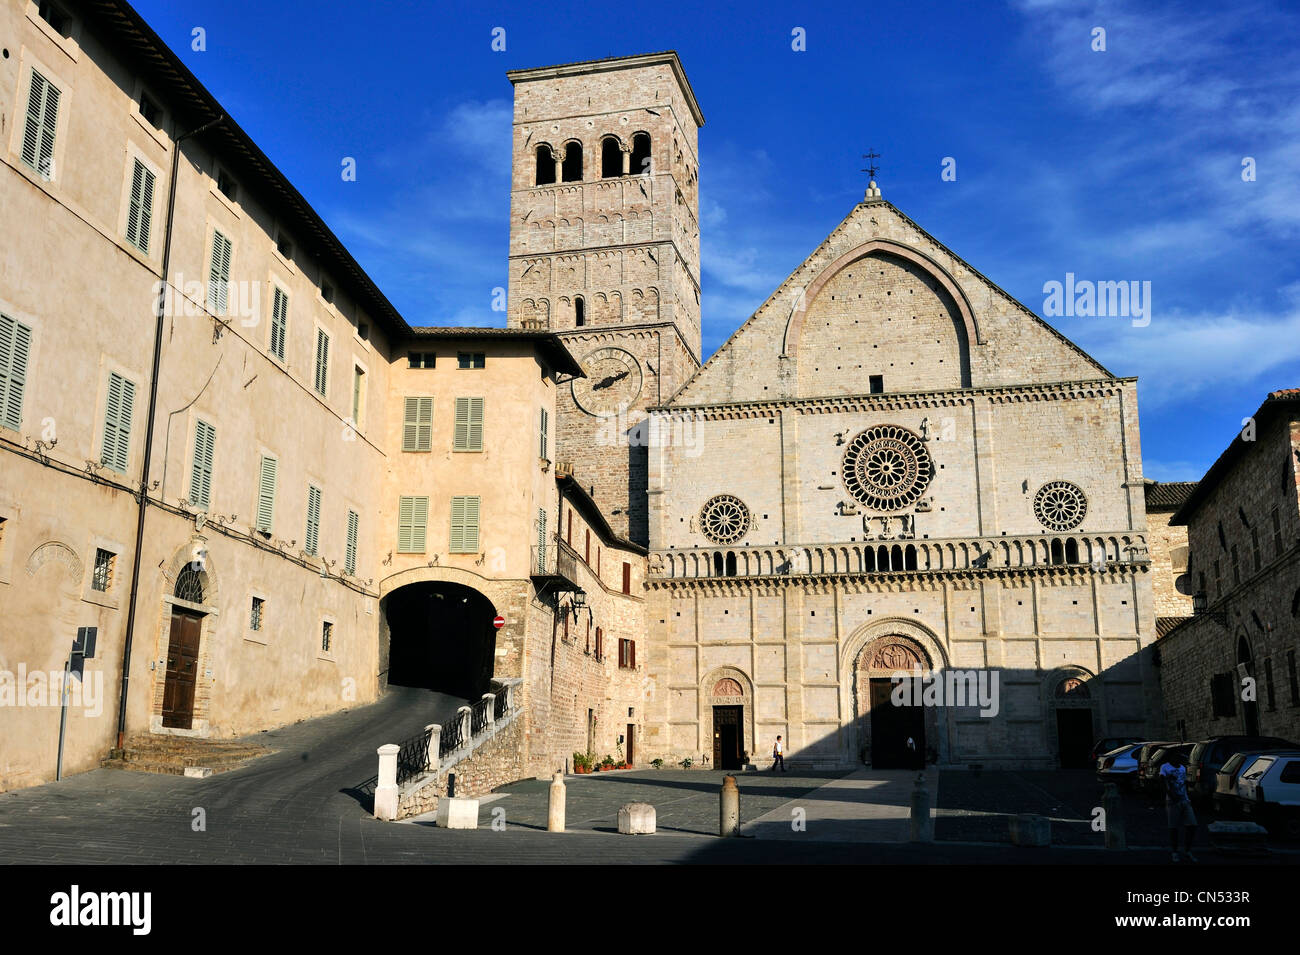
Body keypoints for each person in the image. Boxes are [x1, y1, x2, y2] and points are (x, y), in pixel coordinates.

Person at [1159, 751, 1197, 862]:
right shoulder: (1165, 767)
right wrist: (1170, 793)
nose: (1177, 758)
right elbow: (1162, 780)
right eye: (1175, 756)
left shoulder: (1182, 768)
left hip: (1184, 799)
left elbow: (1183, 782)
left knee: (1192, 825)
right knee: (1173, 828)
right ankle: (1175, 852)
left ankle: (1187, 850)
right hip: (1172, 801)